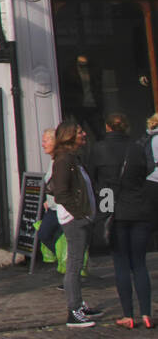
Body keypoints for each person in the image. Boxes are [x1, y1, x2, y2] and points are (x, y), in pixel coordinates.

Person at [45, 121, 102, 328]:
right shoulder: (64, 160)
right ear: (70, 136)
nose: (84, 134)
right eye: (79, 132)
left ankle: (79, 304)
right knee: (74, 264)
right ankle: (74, 310)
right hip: (74, 220)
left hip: (80, 218)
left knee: (77, 264)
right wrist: (80, 215)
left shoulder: (73, 158)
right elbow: (61, 193)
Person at [110, 120, 157, 329]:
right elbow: (148, 168)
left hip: (118, 211)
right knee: (139, 264)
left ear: (108, 128)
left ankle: (128, 315)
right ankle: (146, 313)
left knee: (121, 263)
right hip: (139, 209)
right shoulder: (137, 148)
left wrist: (105, 210)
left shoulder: (102, 149)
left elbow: (101, 183)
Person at [89, 113, 131, 249]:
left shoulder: (98, 148)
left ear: (107, 127)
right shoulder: (134, 147)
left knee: (106, 222)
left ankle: (107, 244)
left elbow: (91, 173)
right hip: (128, 193)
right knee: (128, 226)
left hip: (106, 192)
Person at [32, 128, 62, 264]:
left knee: (47, 234)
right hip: (52, 207)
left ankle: (69, 266)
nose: (43, 144)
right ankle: (66, 263)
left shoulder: (60, 161)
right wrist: (47, 199)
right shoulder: (53, 160)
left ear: (55, 142)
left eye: (45, 141)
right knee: (45, 234)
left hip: (60, 208)